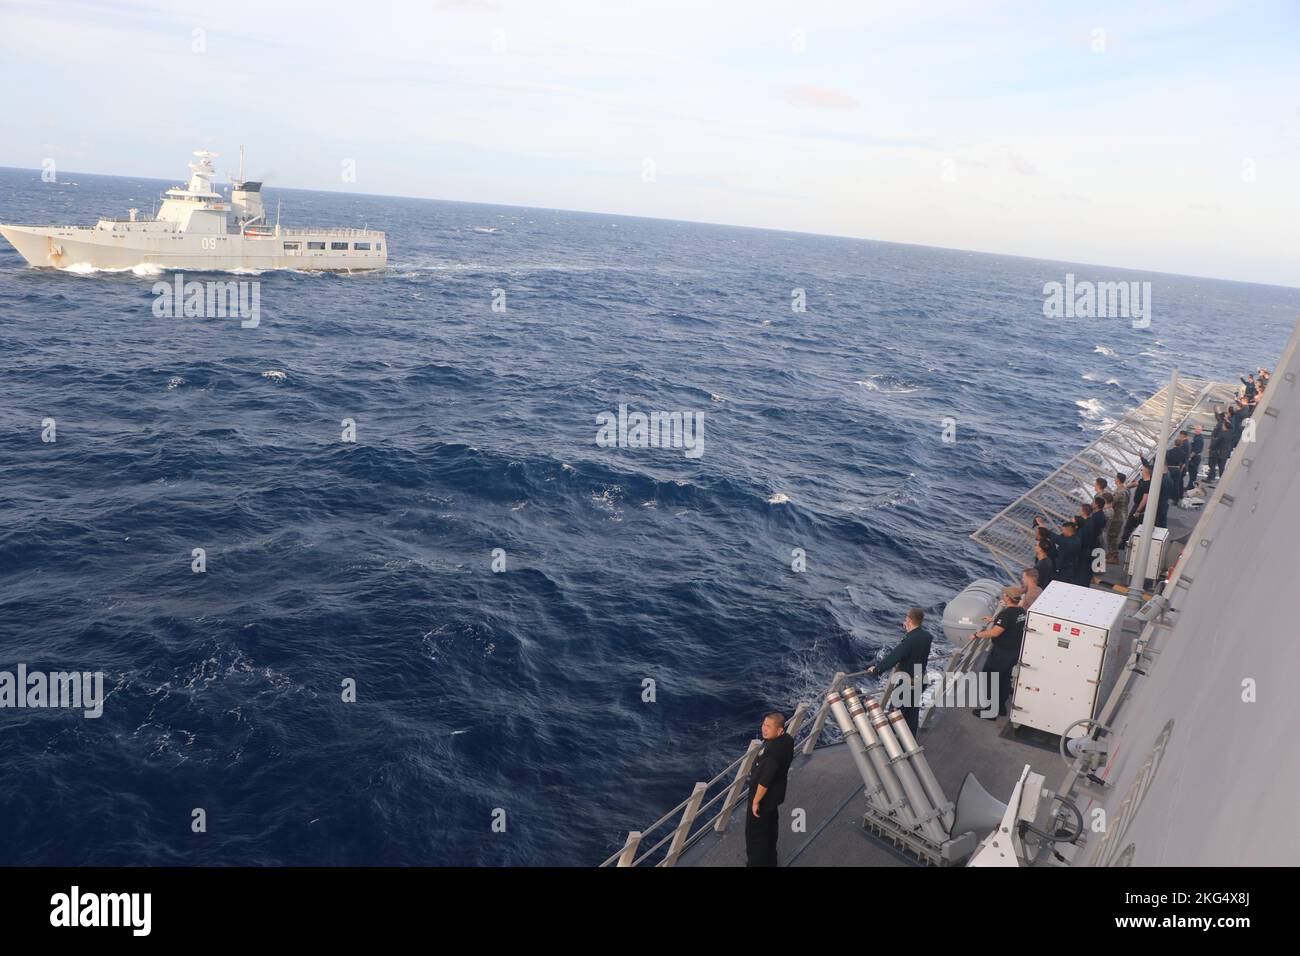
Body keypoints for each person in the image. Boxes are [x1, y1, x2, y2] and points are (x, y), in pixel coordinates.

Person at [866, 607, 932, 737]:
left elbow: (895, 656)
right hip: (921, 678)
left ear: (909, 620)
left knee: (894, 713)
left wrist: (877, 669)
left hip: (908, 683)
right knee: (912, 713)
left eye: (906, 618)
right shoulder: (927, 637)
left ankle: (892, 744)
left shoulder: (910, 640)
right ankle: (911, 740)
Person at [745, 711, 795, 867]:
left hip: (763, 801)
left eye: (769, 726)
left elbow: (765, 781)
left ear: (779, 730)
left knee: (756, 838)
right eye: (764, 725)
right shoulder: (787, 740)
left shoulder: (772, 753)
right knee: (771, 832)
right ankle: (771, 862)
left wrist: (755, 802)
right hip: (774, 798)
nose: (764, 729)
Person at [970, 594, 1028, 719]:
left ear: (1008, 598)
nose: (1003, 596)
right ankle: (1001, 707)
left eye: (1005, 595)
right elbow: (1010, 623)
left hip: (1002, 652)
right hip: (1014, 651)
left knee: (991, 677)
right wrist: (994, 620)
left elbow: (995, 632)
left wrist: (977, 635)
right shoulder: (1021, 611)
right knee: (1005, 678)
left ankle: (992, 711)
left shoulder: (1006, 614)